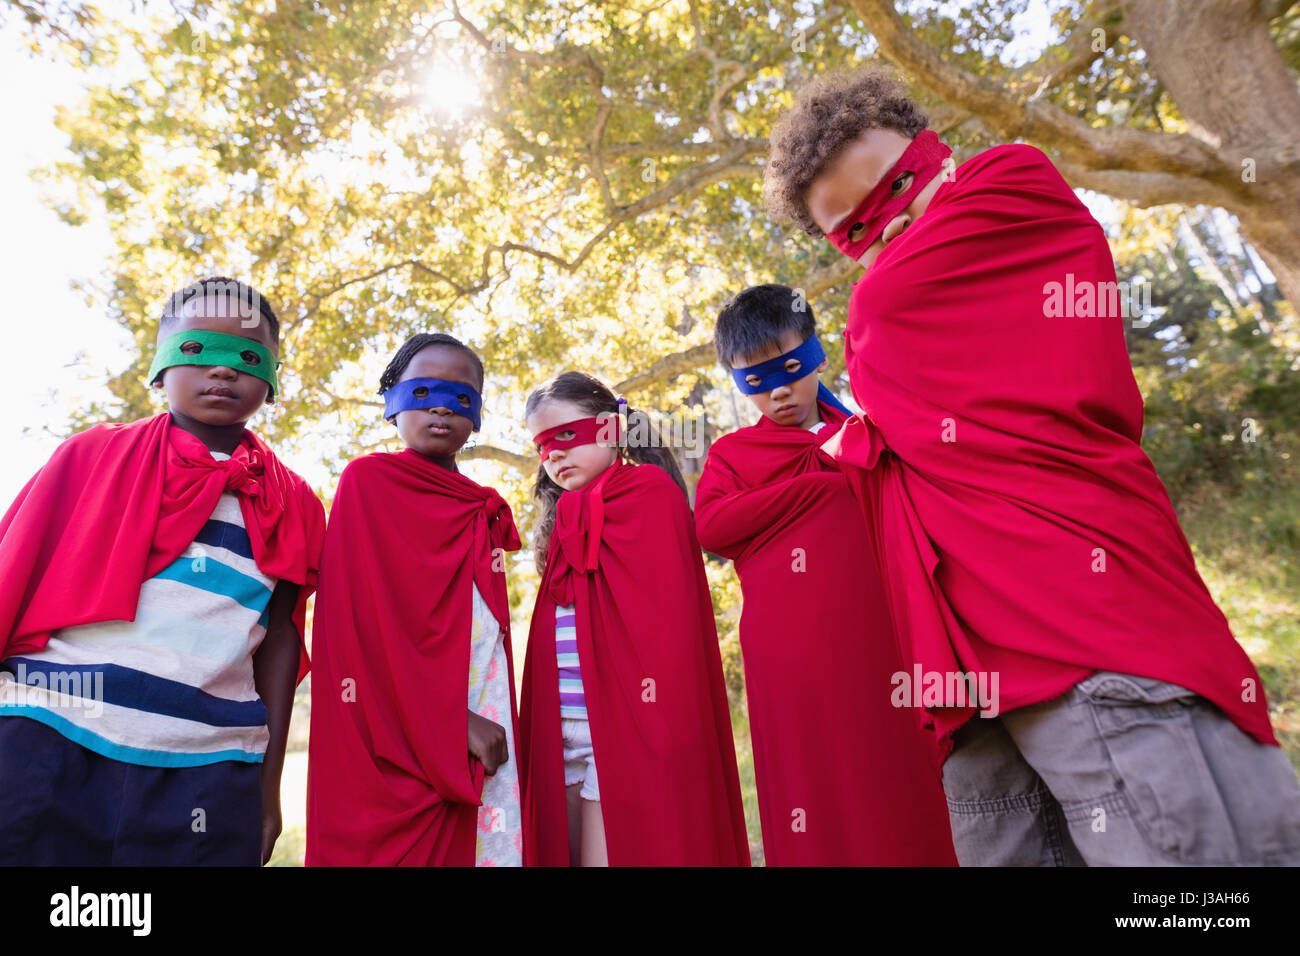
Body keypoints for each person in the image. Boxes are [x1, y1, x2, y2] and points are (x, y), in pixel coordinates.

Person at [761, 66, 1300, 865]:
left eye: (898, 187)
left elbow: (897, 318)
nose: (893, 228)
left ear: (935, 154)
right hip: (975, 688)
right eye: (857, 232)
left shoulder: (1012, 185)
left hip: (1094, 640)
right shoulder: (897, 320)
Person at [0, 276, 325, 865]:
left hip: (208, 762)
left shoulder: (293, 502)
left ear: (273, 376)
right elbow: (10, 577)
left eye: (246, 356)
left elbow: (280, 640)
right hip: (49, 734)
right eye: (197, 349)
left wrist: (268, 788)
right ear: (159, 366)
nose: (222, 371)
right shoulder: (92, 454)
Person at [694, 283, 957, 866]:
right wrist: (819, 488)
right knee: (819, 783)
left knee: (903, 775)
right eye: (756, 381)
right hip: (793, 656)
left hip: (886, 636)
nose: (779, 391)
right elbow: (711, 528)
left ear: (816, 351)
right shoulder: (734, 455)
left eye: (789, 367)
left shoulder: (872, 427)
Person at [306, 333, 523, 867]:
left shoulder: (480, 507)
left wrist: (480, 714)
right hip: (399, 729)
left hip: (486, 703)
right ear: (390, 403)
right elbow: (357, 637)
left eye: (461, 396)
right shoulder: (368, 484)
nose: (442, 407)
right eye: (422, 392)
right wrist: (449, 723)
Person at [518, 371, 750, 866]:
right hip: (561, 721)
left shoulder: (649, 493)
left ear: (611, 428)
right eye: (541, 446)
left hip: (626, 723)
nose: (553, 454)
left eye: (564, 436)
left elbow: (665, 626)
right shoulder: (563, 515)